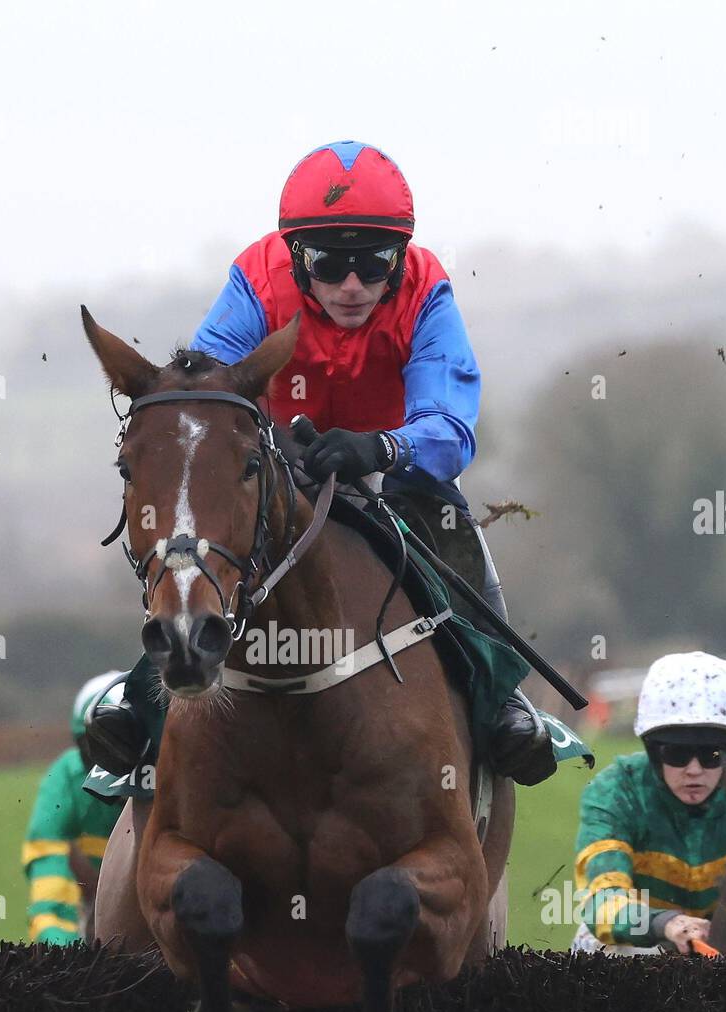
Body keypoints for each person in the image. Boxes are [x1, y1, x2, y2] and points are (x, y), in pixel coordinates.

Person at [86, 139, 555, 786]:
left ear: (402, 257)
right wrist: (270, 444)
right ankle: (144, 695)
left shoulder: (426, 290)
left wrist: (383, 448)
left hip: (395, 475)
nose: (354, 285)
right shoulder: (256, 276)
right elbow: (205, 396)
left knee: (453, 525)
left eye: (375, 263)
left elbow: (449, 428)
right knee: (204, 537)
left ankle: (502, 696)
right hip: (283, 469)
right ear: (295, 256)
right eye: (331, 265)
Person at [570, 651, 726, 956]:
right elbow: (602, 905)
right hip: (638, 942)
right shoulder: (616, 789)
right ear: (654, 752)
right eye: (677, 754)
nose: (694, 769)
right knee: (599, 947)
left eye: (711, 756)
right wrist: (666, 924)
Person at [22, 673, 125, 945]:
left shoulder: (170, 771)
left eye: (111, 744)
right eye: (90, 747)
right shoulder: (65, 776)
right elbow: (49, 874)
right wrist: (60, 952)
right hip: (98, 905)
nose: (101, 764)